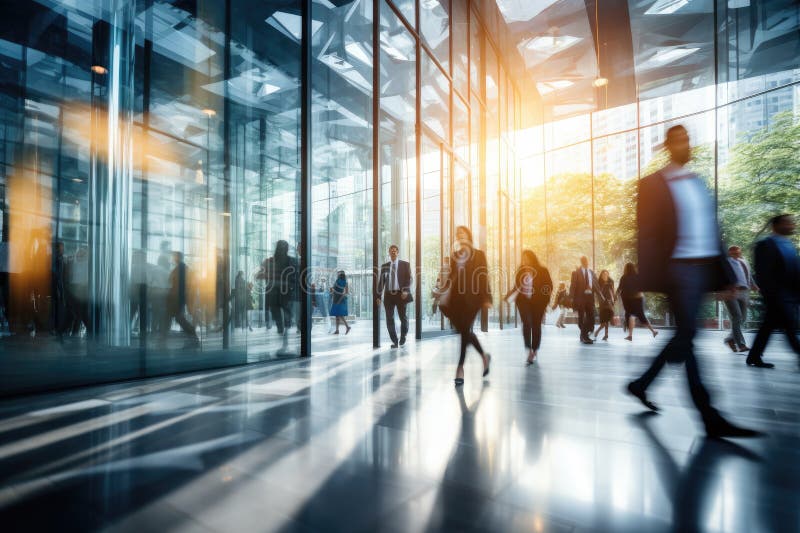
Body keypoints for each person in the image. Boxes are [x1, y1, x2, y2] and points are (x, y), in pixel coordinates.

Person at [625, 124, 759, 438]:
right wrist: (650, 276)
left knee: (684, 338)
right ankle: (709, 415)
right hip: (677, 268)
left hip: (702, 269)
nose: (686, 145)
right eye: (680, 140)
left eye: (688, 140)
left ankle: (641, 384)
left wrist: (725, 276)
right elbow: (646, 234)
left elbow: (713, 232)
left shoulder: (698, 183)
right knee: (688, 334)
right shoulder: (652, 185)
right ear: (669, 146)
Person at [436, 226, 491, 386]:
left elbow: (483, 276)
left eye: (462, 233)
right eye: (457, 234)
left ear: (468, 235)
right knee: (464, 331)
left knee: (464, 332)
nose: (460, 236)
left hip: (474, 299)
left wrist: (487, 297)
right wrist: (443, 291)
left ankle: (460, 368)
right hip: (457, 299)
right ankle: (484, 357)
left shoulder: (479, 255)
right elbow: (453, 276)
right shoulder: (455, 256)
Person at [745, 214, 800, 368]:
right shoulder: (765, 245)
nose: (792, 226)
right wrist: (772, 295)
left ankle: (754, 356)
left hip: (789, 296)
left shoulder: (788, 244)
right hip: (777, 296)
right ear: (776, 226)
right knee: (790, 327)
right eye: (787, 223)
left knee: (768, 327)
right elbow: (763, 273)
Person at [505, 250, 552, 365]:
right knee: (526, 322)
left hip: (538, 302)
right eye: (523, 258)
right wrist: (508, 296)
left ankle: (535, 350)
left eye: (527, 258)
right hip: (523, 301)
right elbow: (516, 286)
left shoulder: (542, 270)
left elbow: (548, 285)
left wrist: (545, 301)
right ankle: (529, 349)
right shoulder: (520, 271)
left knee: (536, 325)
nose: (525, 260)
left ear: (532, 258)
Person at [257, 240, 297, 341]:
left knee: (280, 308)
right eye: (284, 247)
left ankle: (283, 326)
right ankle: (283, 326)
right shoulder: (271, 261)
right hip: (279, 289)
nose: (285, 249)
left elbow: (260, 274)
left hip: (282, 289)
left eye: (285, 247)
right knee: (279, 308)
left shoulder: (289, 261)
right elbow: (260, 274)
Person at [376, 244, 413, 348]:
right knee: (389, 318)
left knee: (403, 318)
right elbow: (381, 283)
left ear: (397, 252)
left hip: (401, 294)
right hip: (388, 295)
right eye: (391, 251)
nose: (393, 252)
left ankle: (403, 336)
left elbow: (409, 279)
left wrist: (406, 290)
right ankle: (395, 341)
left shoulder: (405, 265)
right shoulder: (385, 266)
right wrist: (378, 297)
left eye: (395, 251)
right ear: (389, 253)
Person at [723, 245, 758, 353]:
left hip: (744, 292)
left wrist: (754, 285)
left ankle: (730, 339)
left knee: (742, 318)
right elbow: (722, 277)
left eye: (738, 252)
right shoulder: (726, 263)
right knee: (737, 316)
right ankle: (741, 345)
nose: (736, 255)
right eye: (734, 253)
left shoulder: (744, 261)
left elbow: (749, 276)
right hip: (731, 292)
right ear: (729, 253)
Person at [164, 251, 200, 346]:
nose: (173, 258)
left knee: (178, 318)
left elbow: (180, 285)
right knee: (178, 318)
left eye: (174, 256)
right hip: (179, 297)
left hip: (178, 298)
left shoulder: (181, 268)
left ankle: (192, 335)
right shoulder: (182, 268)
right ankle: (192, 336)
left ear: (178, 258)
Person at [616, 262, 658, 341]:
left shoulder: (624, 277)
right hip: (639, 298)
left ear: (625, 269)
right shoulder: (637, 277)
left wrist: (615, 296)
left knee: (631, 315)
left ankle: (630, 335)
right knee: (641, 316)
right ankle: (653, 331)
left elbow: (619, 288)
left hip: (629, 299)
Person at [570, 256, 599, 344]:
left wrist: (600, 296)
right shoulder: (576, 272)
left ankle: (583, 335)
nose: (586, 262)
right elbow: (573, 286)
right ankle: (585, 337)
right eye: (584, 261)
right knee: (581, 318)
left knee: (591, 318)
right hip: (580, 299)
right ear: (581, 262)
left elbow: (596, 285)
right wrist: (571, 298)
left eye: (587, 261)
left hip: (590, 297)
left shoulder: (591, 272)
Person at [593, 270, 615, 341]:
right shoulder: (599, 282)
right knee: (604, 319)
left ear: (608, 275)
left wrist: (613, 300)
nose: (605, 276)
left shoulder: (611, 281)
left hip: (609, 303)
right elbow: (598, 293)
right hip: (602, 303)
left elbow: (612, 291)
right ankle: (605, 334)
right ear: (601, 275)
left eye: (606, 274)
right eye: (603, 274)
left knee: (606, 319)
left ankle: (600, 332)